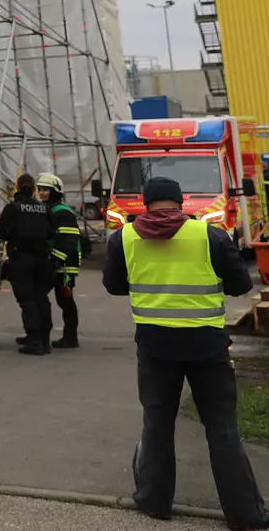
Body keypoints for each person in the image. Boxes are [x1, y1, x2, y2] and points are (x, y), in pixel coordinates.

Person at [102, 177, 269, 528]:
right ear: (181, 203)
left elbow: (115, 286)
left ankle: (154, 501)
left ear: (145, 203)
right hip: (206, 346)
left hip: (154, 346)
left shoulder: (124, 237)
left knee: (158, 423)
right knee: (221, 426)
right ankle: (246, 515)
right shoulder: (208, 235)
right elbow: (240, 284)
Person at [0, 170, 56, 355]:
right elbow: (51, 232)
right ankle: (44, 340)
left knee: (27, 299)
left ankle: (34, 339)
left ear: (17, 187)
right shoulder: (43, 208)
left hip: (21, 259)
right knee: (41, 298)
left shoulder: (14, 208)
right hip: (42, 259)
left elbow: (0, 232)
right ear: (34, 189)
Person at [43, 173, 83, 349]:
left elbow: (68, 239)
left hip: (65, 264)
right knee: (39, 298)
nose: (42, 193)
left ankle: (71, 337)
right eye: (40, 189)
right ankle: (38, 334)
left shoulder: (63, 212)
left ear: (55, 191)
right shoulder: (47, 209)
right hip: (51, 261)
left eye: (46, 190)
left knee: (65, 300)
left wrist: (57, 259)